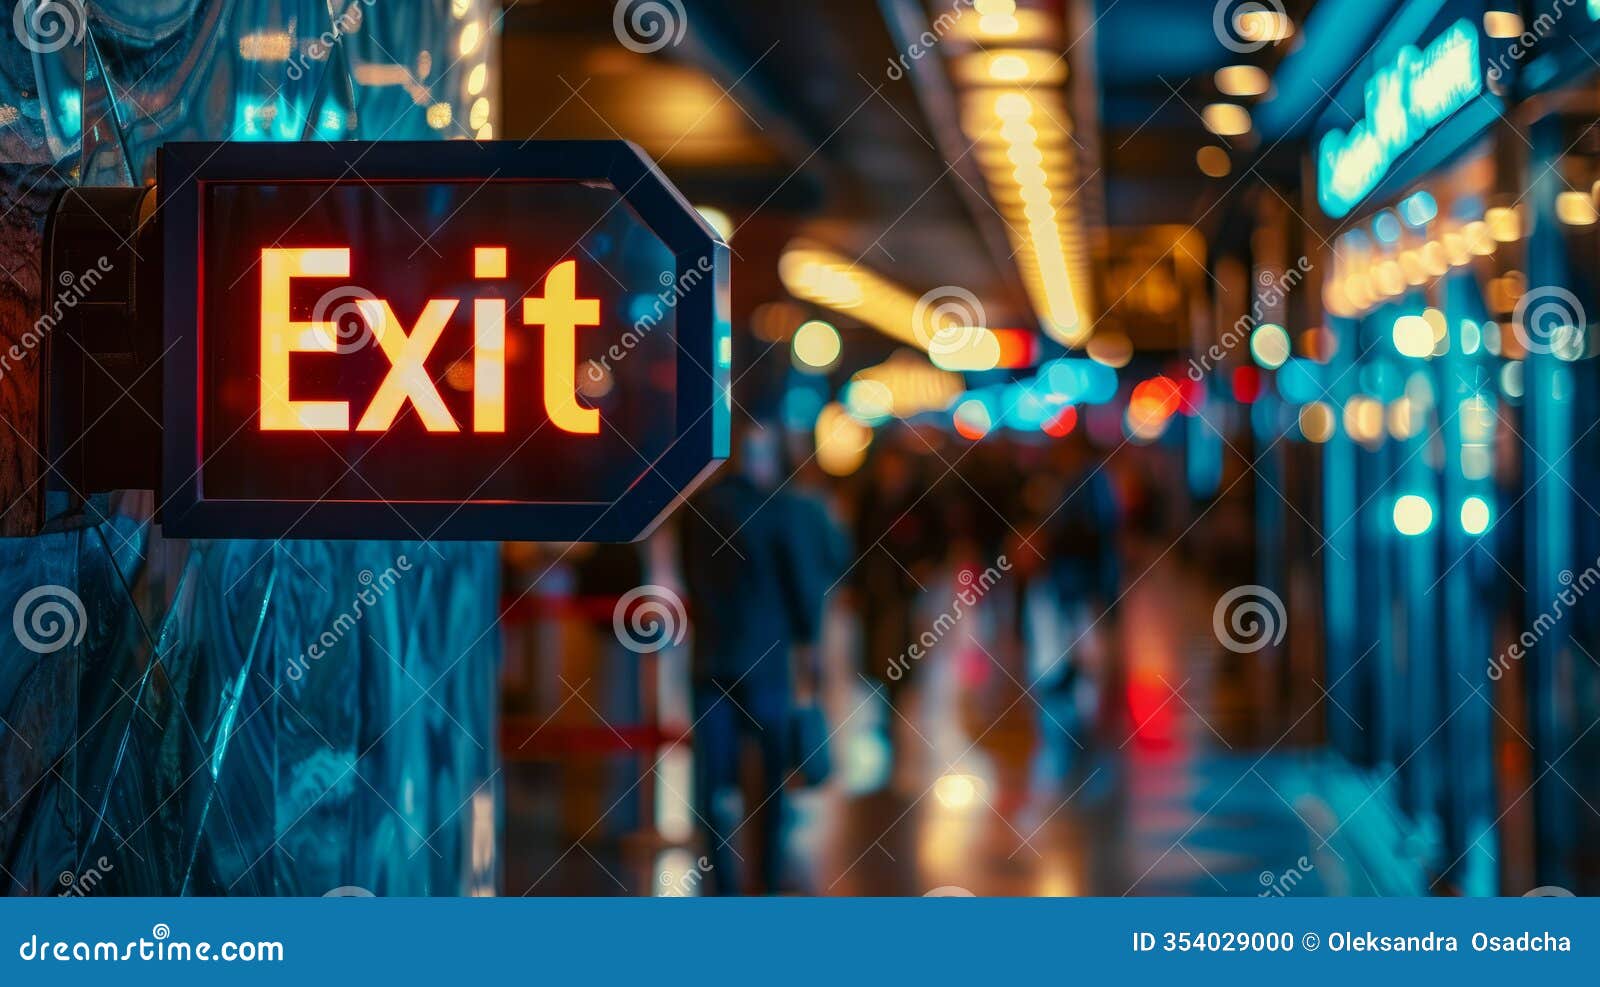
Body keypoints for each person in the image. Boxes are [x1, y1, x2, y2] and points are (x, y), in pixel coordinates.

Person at [678, 420, 835, 894]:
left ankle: (720, 880)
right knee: (769, 777)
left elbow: (689, 580)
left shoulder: (698, 509)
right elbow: (802, 589)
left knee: (712, 775)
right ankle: (763, 878)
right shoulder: (780, 510)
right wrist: (810, 647)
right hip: (766, 662)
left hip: (711, 659)